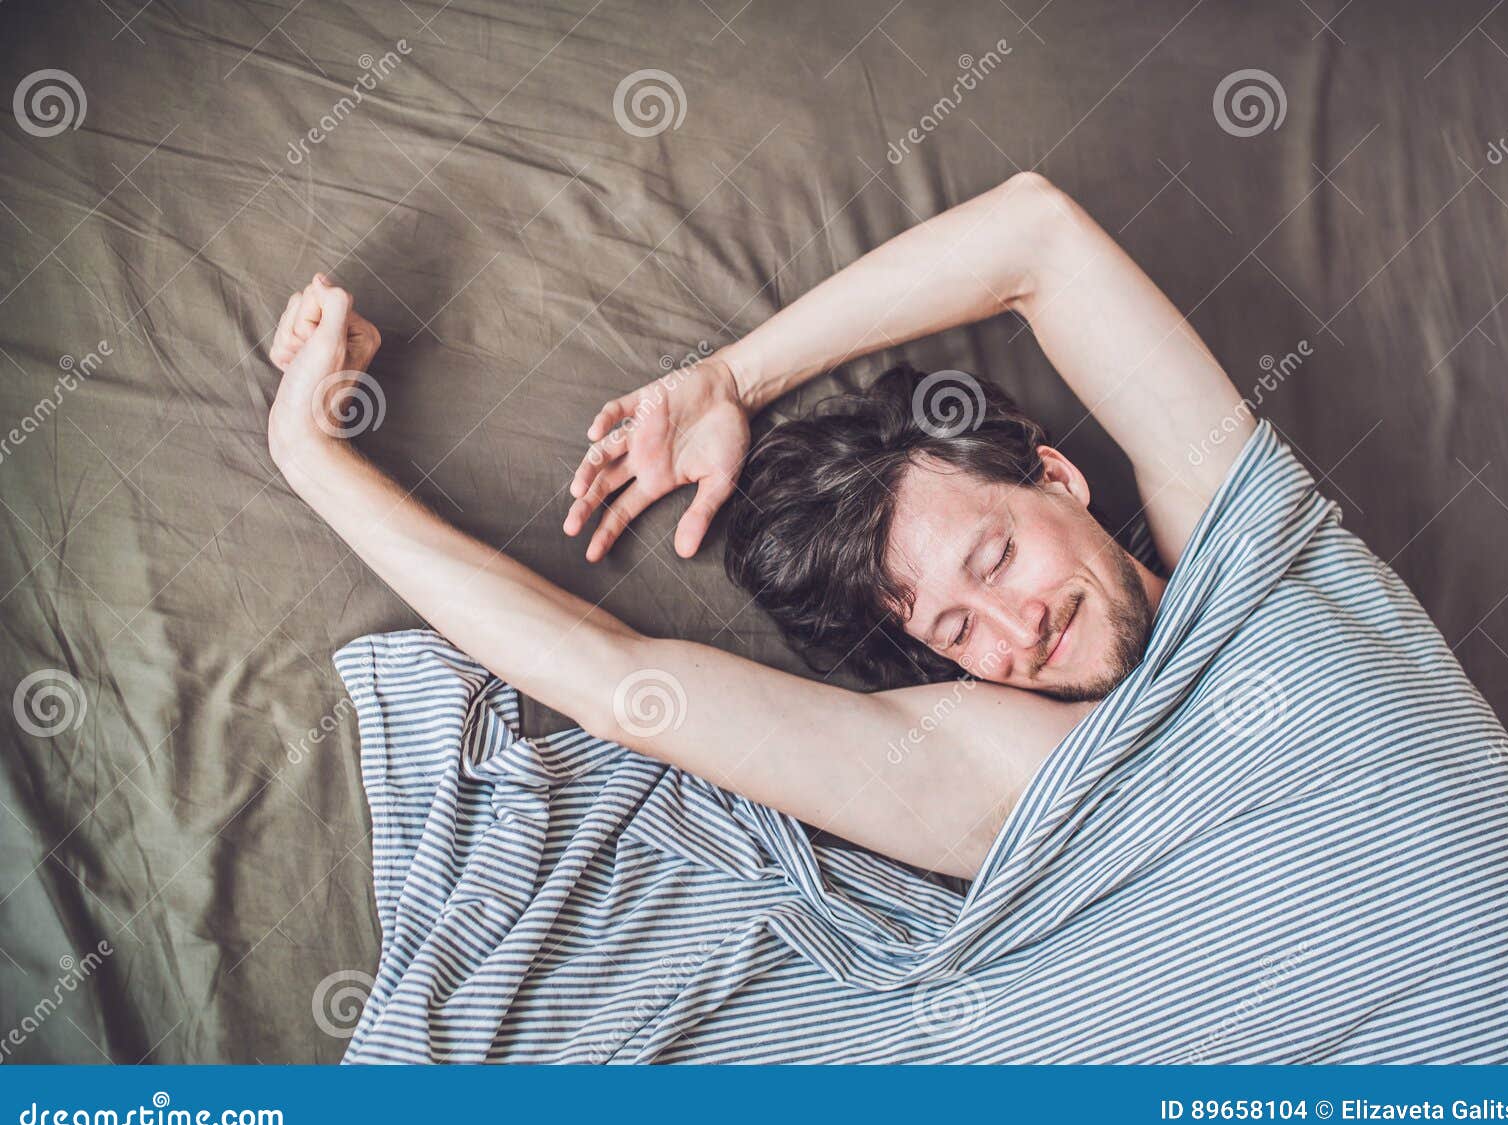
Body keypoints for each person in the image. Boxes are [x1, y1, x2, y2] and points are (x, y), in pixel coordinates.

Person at [266, 173, 1255, 881]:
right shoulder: (1025, 772)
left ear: (1057, 477)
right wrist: (309, 455)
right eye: (955, 632)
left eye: (993, 557)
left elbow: (1033, 237)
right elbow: (620, 684)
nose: (1014, 630)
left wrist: (733, 377)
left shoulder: (1247, 545)